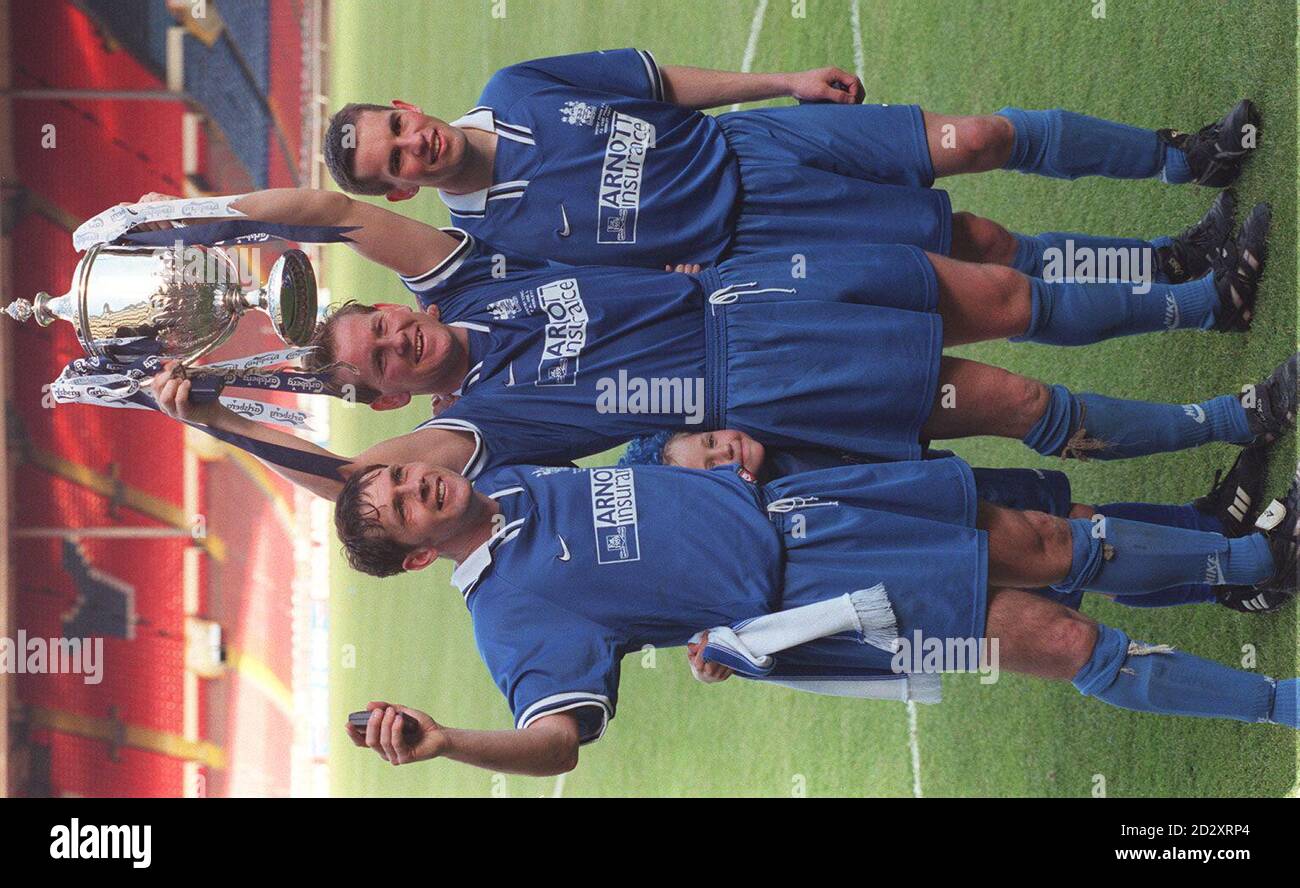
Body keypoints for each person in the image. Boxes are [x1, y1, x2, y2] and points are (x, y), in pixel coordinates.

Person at [336, 457, 1300, 775]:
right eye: (405, 505)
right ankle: (1281, 705)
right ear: (421, 554)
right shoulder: (509, 618)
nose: (417, 482)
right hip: (827, 607)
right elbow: (558, 741)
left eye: (400, 475)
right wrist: (451, 741)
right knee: (1065, 639)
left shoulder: (504, 481)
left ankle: (1259, 559)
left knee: (1048, 537)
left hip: (811, 504)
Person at [324, 49, 1260, 291]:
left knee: (975, 138)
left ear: (406, 103)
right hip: (764, 241)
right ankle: (1171, 265)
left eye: (397, 125)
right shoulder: (487, 239)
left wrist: (782, 81)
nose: (415, 143)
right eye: (394, 160)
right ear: (400, 189)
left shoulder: (514, 85)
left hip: (764, 145)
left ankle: (1185, 157)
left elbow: (657, 82)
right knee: (985, 249)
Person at [619, 428, 1292, 614]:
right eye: (709, 471)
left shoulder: (761, 425)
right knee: (1077, 562)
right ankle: (1227, 581)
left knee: (1072, 519)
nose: (724, 452)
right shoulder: (758, 533)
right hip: (934, 542)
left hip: (932, 480)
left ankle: (1206, 524)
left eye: (711, 439)